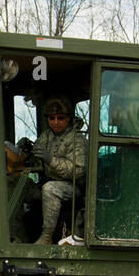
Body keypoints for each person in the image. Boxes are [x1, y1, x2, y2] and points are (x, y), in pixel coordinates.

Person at [19, 96, 87, 245]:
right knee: (20, 187)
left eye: (60, 118)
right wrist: (27, 152)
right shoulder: (46, 136)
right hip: (47, 182)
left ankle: (46, 236)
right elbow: (37, 160)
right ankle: (18, 234)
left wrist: (51, 160)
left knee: (50, 189)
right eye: (52, 118)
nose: (55, 122)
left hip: (72, 186)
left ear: (68, 118)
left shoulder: (77, 139)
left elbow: (77, 170)